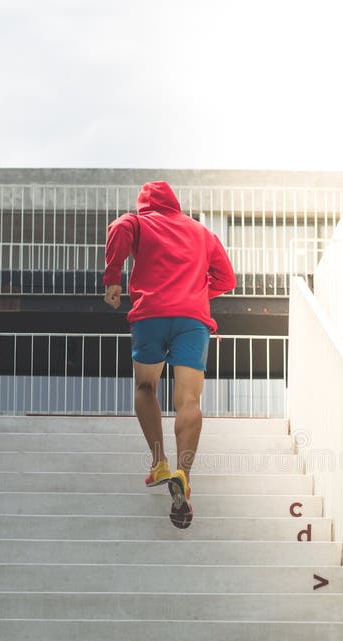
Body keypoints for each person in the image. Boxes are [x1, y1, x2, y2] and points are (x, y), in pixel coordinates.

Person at [102, 181, 236, 528]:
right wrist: (197, 291)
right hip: (192, 320)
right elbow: (227, 279)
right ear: (175, 203)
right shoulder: (202, 233)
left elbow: (118, 227)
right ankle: (184, 474)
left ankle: (159, 461)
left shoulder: (140, 222)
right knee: (189, 399)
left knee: (146, 387)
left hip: (151, 316)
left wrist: (113, 277)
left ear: (145, 203)